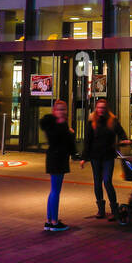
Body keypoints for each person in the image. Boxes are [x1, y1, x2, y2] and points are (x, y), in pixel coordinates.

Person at [79, 96, 128, 220]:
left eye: (103, 108)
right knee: (97, 182)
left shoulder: (112, 120)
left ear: (106, 109)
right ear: (96, 108)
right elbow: (87, 140)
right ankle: (101, 210)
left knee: (107, 181)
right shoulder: (92, 121)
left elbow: (121, 132)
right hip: (95, 156)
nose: (101, 110)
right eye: (99, 108)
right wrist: (84, 157)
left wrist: (124, 139)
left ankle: (114, 209)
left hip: (108, 156)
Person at [39, 99, 74, 232]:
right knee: (55, 191)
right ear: (54, 111)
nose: (61, 112)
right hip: (57, 159)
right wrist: (68, 132)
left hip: (57, 158)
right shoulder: (56, 124)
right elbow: (58, 140)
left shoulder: (57, 124)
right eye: (59, 109)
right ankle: (54, 222)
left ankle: (49, 221)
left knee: (54, 190)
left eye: (63, 109)